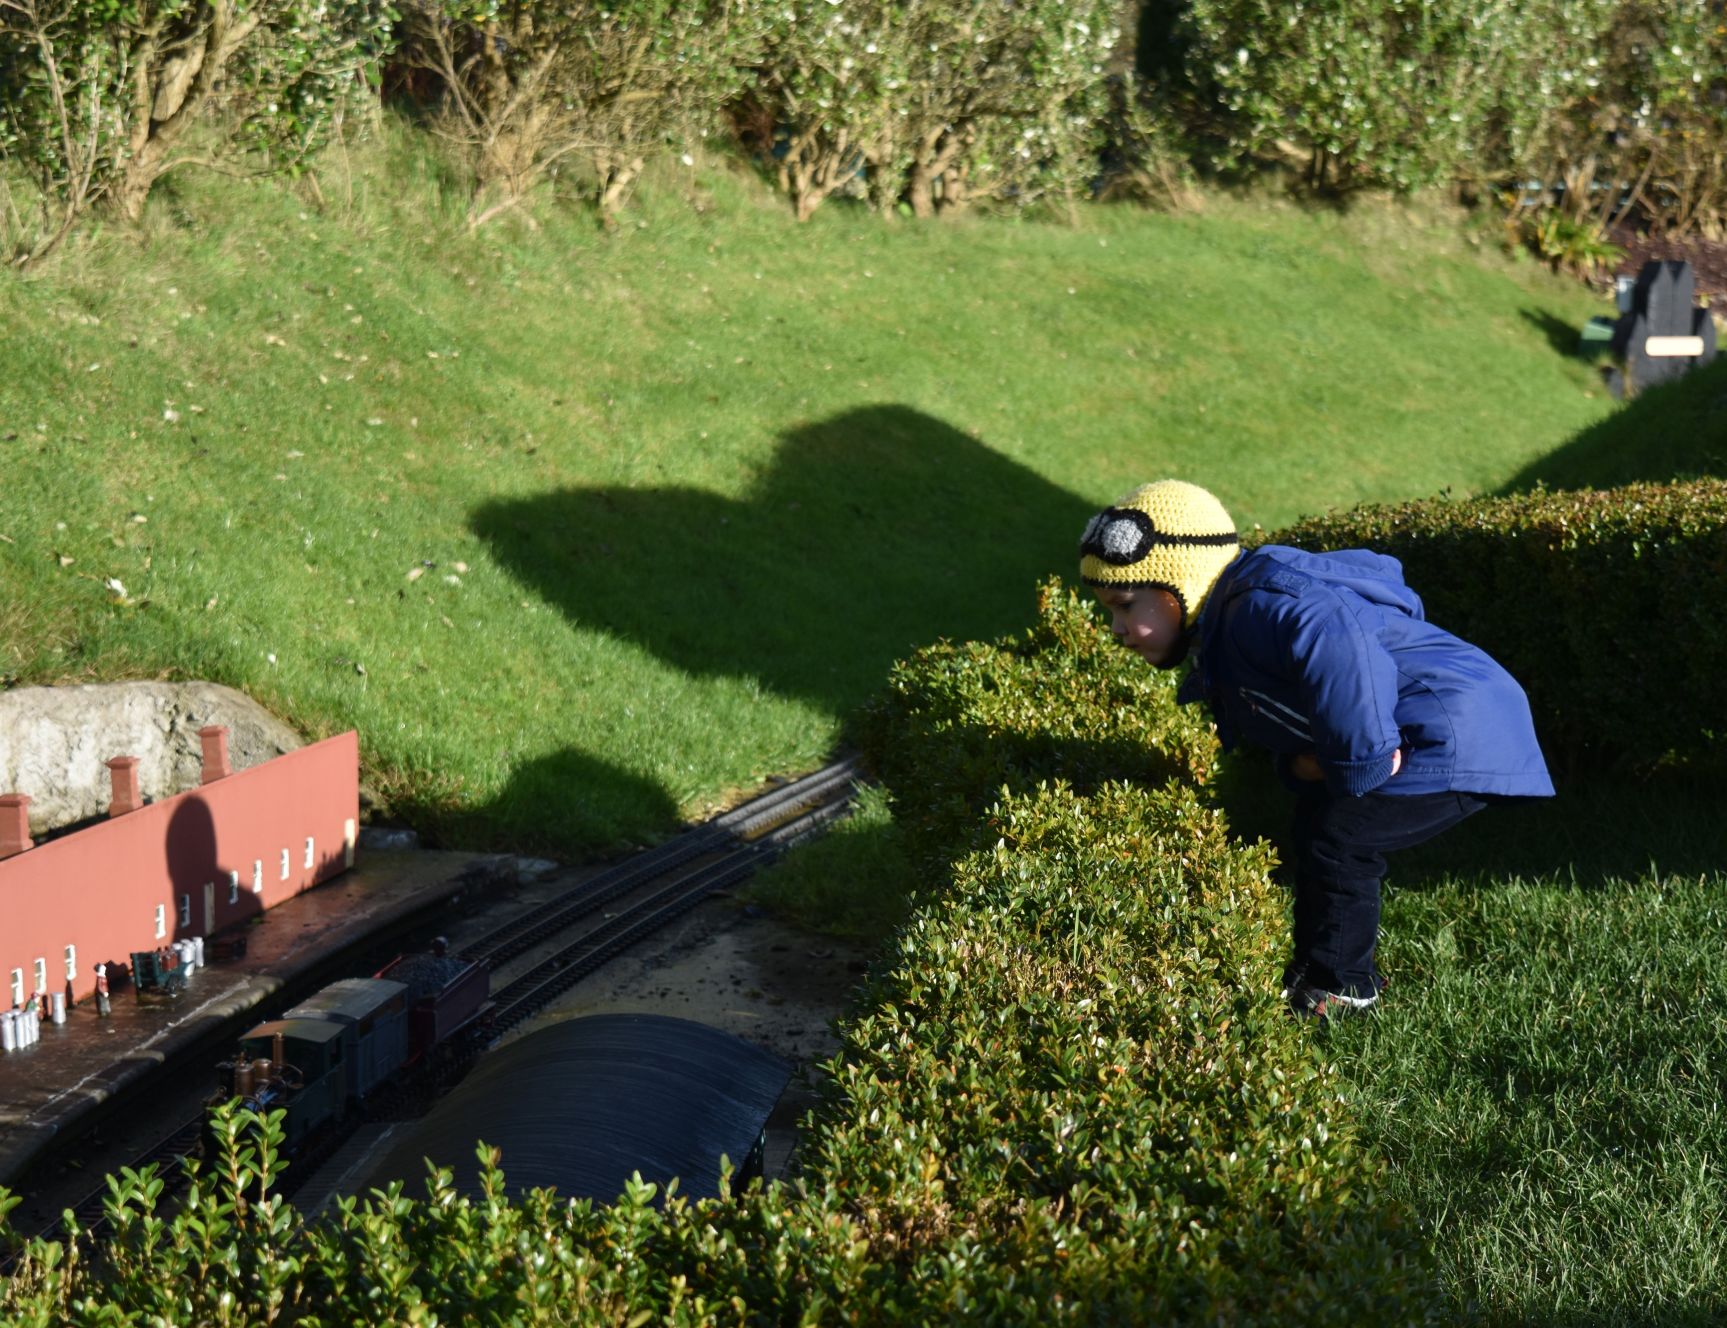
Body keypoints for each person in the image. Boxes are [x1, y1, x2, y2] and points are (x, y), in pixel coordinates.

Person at [1079, 480, 1553, 1019]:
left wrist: (1363, 756)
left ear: (1178, 586)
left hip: (1455, 725)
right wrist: (1311, 761)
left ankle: (1343, 987)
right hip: (1448, 718)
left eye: (1123, 606)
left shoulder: (1253, 607)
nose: (1117, 629)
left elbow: (1337, 640)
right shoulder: (1232, 614)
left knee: (1340, 838)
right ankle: (1315, 965)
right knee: (1317, 825)